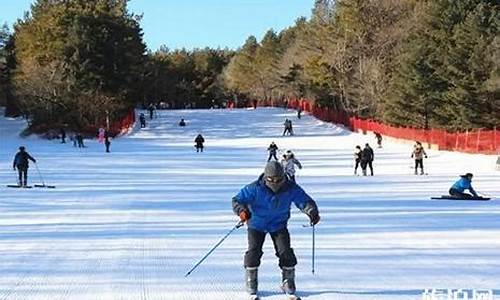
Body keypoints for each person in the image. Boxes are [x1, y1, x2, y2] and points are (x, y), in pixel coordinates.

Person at [232, 161, 320, 299]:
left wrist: (312, 211)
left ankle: (288, 281)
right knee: (254, 252)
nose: (275, 182)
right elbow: (237, 200)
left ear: (283, 177)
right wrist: (242, 211)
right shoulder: (255, 188)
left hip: (278, 224)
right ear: (266, 177)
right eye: (271, 179)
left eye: (279, 179)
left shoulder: (290, 188)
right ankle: (251, 280)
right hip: (256, 225)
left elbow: (304, 200)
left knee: (285, 251)